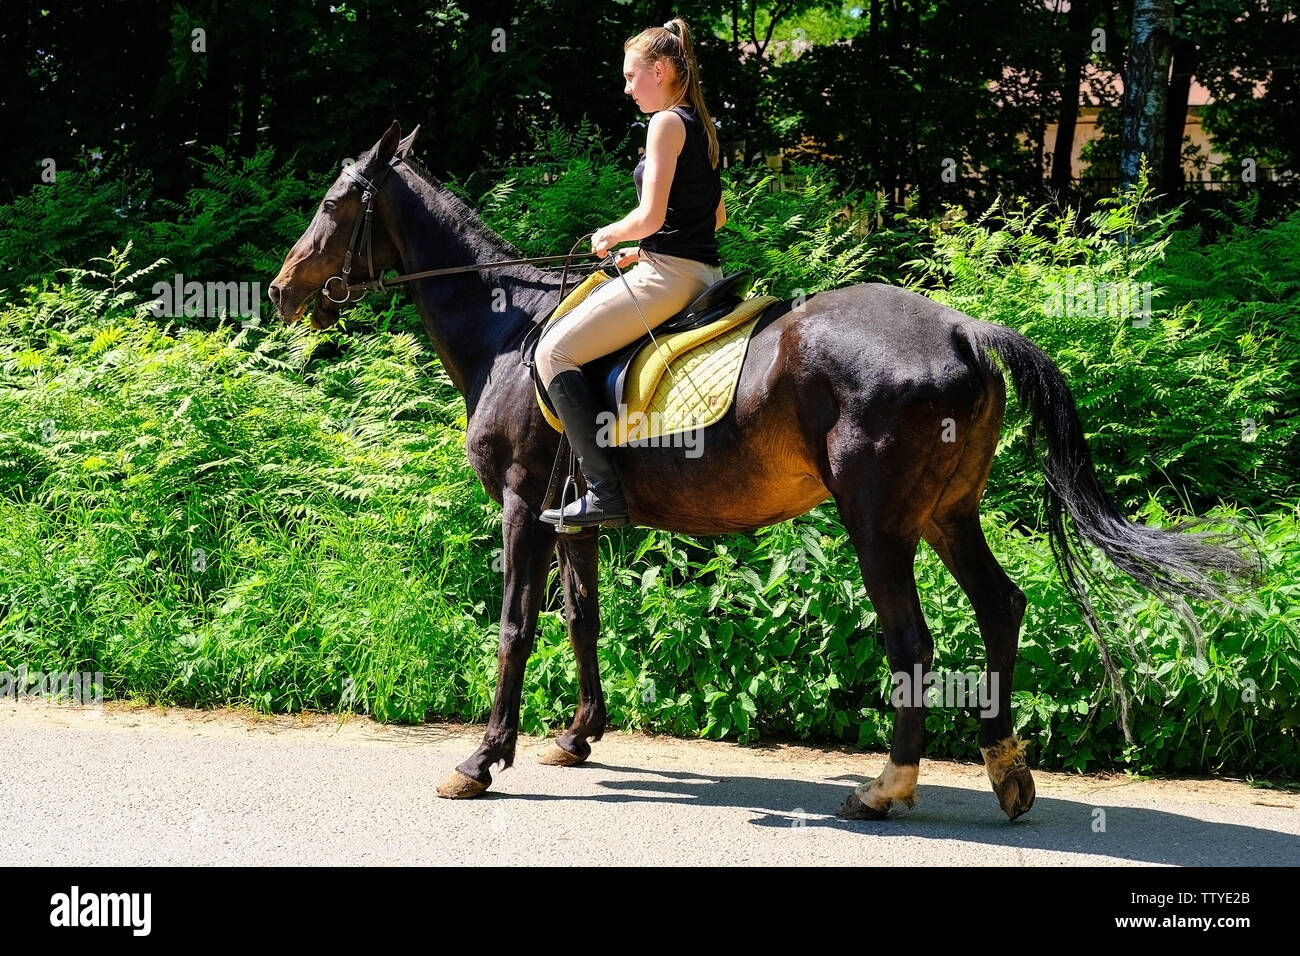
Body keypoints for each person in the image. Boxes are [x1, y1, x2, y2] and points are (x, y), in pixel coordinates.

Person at [537, 17, 727, 528]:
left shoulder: (665, 123)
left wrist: (614, 234)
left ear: (661, 70)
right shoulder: (704, 126)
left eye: (630, 76)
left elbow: (652, 217)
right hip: (702, 273)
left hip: (670, 278)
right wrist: (643, 253)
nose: (626, 88)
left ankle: (603, 493)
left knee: (553, 351)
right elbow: (716, 218)